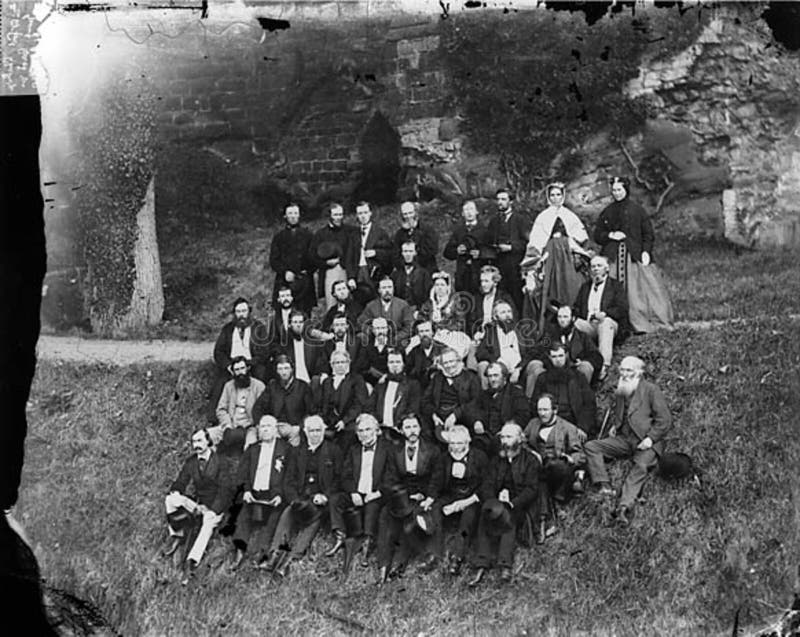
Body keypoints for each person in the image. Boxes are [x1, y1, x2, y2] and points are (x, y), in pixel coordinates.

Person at [584, 356, 672, 526]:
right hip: (624, 439)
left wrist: (650, 439)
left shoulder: (651, 390)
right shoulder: (622, 388)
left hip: (645, 441)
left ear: (639, 373)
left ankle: (624, 507)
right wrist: (615, 426)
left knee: (640, 467)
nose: (624, 374)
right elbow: (620, 412)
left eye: (629, 371)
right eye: (622, 370)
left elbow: (665, 420)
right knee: (591, 446)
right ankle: (604, 485)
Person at [259, 416, 343, 577]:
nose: (315, 434)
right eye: (311, 430)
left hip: (321, 500)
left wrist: (326, 496)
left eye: (319, 430)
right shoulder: (298, 452)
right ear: (305, 432)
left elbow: (339, 480)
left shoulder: (333, 451)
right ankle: (274, 555)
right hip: (301, 496)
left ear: (324, 431)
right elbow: (288, 480)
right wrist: (294, 500)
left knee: (314, 518)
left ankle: (291, 559)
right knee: (288, 513)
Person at [594, 176, 674, 333]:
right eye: (614, 190)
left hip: (634, 256)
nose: (617, 193)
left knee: (644, 290)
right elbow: (597, 235)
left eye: (620, 190)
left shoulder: (637, 210)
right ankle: (614, 323)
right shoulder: (607, 211)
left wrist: (646, 251)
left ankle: (641, 322)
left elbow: (648, 234)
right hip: (612, 258)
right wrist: (610, 235)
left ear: (626, 190)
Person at [468, 422, 540, 586]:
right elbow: (487, 484)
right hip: (497, 502)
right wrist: (494, 500)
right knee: (485, 513)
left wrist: (512, 503)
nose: (505, 441)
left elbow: (532, 489)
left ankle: (505, 565)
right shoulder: (496, 460)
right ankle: (481, 564)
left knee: (508, 517)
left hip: (520, 506)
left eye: (509, 437)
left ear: (520, 439)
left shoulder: (530, 460)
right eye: (503, 437)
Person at [377, 414, 443, 581]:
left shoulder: (432, 450)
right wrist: (404, 495)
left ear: (420, 428)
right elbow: (390, 478)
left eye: (415, 426)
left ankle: (407, 561)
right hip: (403, 495)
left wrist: (429, 497)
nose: (412, 431)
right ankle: (384, 565)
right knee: (386, 516)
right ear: (401, 430)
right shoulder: (395, 451)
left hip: (425, 495)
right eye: (407, 427)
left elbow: (437, 478)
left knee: (412, 519)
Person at [164, 429, 230, 582]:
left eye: (200, 441)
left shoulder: (220, 461)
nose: (196, 445)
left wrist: (213, 509)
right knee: (170, 499)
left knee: (208, 522)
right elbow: (181, 481)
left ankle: (192, 560)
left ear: (208, 441)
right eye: (194, 442)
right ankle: (177, 534)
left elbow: (226, 489)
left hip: (214, 506)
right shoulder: (191, 462)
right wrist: (176, 492)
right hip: (197, 504)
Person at [327, 414, 394, 565]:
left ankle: (367, 545)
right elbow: (345, 475)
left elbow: (392, 476)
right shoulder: (354, 450)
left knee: (372, 506)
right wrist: (353, 492)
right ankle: (340, 535)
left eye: (368, 429)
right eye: (360, 431)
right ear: (356, 433)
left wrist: (377, 493)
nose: (364, 434)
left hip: (376, 492)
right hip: (357, 491)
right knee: (335, 500)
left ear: (376, 430)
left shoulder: (387, 449)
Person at [526, 182, 592, 331]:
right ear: (548, 197)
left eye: (558, 195)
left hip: (567, 256)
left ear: (563, 196)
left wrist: (577, 250)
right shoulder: (543, 217)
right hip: (550, 257)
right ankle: (551, 329)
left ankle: (575, 326)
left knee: (571, 287)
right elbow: (536, 241)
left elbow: (581, 238)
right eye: (552, 195)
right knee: (550, 290)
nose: (555, 198)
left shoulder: (570, 216)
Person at [231, 416, 290, 569]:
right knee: (243, 515)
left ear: (275, 429)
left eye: (268, 426)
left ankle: (260, 552)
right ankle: (239, 551)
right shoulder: (253, 449)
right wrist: (247, 491)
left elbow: (289, 476)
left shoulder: (286, 449)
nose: (265, 430)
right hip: (254, 494)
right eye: (262, 427)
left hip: (274, 495)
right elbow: (242, 474)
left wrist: (279, 494)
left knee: (272, 520)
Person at [431, 425, 488, 576]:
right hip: (451, 494)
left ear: (467, 442)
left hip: (471, 497)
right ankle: (435, 552)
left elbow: (486, 485)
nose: (455, 447)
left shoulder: (479, 457)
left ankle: (457, 556)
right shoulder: (444, 458)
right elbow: (436, 481)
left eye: (459, 443)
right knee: (435, 509)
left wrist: (464, 502)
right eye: (452, 443)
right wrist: (430, 498)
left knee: (468, 516)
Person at [524, 394, 587, 525]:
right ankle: (545, 516)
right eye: (539, 410)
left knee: (558, 467)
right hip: (536, 465)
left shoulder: (567, 427)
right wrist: (532, 453)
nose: (542, 414)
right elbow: (522, 442)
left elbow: (579, 454)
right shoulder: (532, 424)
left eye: (546, 410)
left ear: (555, 410)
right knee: (538, 478)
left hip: (557, 468)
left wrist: (570, 458)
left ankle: (558, 502)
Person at [209, 297, 270, 417]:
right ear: (234, 313)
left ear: (249, 312)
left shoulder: (259, 328)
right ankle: (214, 417)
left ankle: (261, 414)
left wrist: (249, 364)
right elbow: (218, 352)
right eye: (238, 312)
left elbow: (265, 351)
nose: (241, 315)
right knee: (220, 383)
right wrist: (228, 365)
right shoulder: (227, 329)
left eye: (244, 311)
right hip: (232, 365)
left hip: (252, 365)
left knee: (261, 376)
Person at [573, 255, 630, 381]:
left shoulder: (616, 286)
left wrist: (605, 313)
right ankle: (576, 360)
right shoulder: (585, 287)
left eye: (599, 266)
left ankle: (603, 365)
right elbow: (576, 307)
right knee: (575, 323)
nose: (596, 269)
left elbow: (622, 308)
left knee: (605, 323)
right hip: (589, 324)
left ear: (607, 269)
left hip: (608, 324)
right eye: (593, 266)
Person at [528, 305, 603, 389]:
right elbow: (538, 350)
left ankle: (579, 399)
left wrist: (582, 361)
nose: (562, 320)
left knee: (586, 366)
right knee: (534, 364)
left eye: (565, 317)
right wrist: (549, 361)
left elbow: (597, 356)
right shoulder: (549, 336)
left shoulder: (583, 337)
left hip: (574, 374)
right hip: (552, 372)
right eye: (559, 317)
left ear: (573, 318)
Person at [531, 342, 596, 435]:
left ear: (566, 355)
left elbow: (589, 404)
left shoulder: (578, 377)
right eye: (554, 357)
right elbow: (534, 404)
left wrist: (583, 427)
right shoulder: (543, 378)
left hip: (573, 423)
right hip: (549, 422)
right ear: (549, 357)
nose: (558, 360)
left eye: (561, 356)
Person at [465, 361, 530, 455]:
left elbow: (523, 416)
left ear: (504, 377)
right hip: (486, 436)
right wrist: (477, 421)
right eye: (490, 376)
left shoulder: (516, 393)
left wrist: (506, 429)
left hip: (506, 435)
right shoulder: (484, 394)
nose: (492, 379)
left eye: (496, 375)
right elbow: (471, 409)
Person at [474, 300, 538, 391]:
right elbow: (480, 353)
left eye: (509, 311)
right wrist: (496, 362)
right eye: (503, 312)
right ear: (496, 317)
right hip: (499, 370)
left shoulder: (522, 329)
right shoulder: (491, 332)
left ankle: (528, 400)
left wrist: (519, 368)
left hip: (520, 369)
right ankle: (488, 400)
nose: (507, 315)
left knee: (536, 364)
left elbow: (533, 351)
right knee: (482, 365)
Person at [421, 347, 481, 442]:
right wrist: (434, 415)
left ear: (458, 360)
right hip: (438, 419)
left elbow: (475, 402)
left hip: (462, 419)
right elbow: (425, 401)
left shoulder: (470, 377)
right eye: (445, 363)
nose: (449, 365)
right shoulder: (437, 378)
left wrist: (455, 415)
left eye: (451, 361)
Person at [252, 355, 314, 447]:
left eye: (286, 368)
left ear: (292, 369)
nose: (284, 372)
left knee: (295, 449)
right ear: (276, 371)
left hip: (294, 429)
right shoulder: (272, 386)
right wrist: (266, 425)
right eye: (280, 369)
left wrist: (298, 427)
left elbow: (311, 412)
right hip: (275, 428)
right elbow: (257, 408)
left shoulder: (303, 387)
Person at [485, 188, 530, 313]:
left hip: (516, 268)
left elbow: (528, 244)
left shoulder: (520, 220)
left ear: (511, 202)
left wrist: (511, 247)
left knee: (517, 300)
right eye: (498, 199)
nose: (500, 202)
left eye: (503, 199)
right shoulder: (494, 221)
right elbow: (487, 242)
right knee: (500, 299)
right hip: (498, 267)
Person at [210, 356, 266, 451]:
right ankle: (213, 463)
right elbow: (221, 409)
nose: (240, 372)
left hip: (250, 427)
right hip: (231, 424)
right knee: (205, 437)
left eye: (242, 368)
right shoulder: (229, 386)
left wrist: (253, 425)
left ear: (248, 368)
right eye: (237, 370)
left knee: (250, 448)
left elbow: (263, 410)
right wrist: (228, 425)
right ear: (233, 372)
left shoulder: (259, 386)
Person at [269, 203, 316, 315]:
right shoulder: (279, 237)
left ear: (299, 215)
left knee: (305, 313)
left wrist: (307, 271)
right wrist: (285, 272)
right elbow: (274, 260)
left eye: (295, 213)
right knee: (284, 314)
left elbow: (314, 258)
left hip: (305, 281)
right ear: (285, 216)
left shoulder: (308, 235)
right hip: (285, 282)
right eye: (290, 213)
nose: (293, 216)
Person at [318, 350, 369, 451]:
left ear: (348, 363)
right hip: (329, 423)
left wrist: (344, 421)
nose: (340, 365)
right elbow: (322, 404)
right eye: (337, 363)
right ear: (332, 365)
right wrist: (322, 421)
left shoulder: (356, 380)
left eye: (343, 362)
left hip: (348, 422)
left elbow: (359, 404)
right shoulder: (327, 382)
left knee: (347, 436)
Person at [416, 271, 473, 361]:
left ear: (447, 287)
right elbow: (422, 319)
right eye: (437, 285)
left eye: (442, 285)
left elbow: (460, 322)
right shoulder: (429, 303)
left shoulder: (455, 301)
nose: (439, 288)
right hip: (431, 333)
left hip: (449, 333)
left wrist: (445, 328)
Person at [345, 201, 393, 305]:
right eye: (360, 213)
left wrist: (375, 253)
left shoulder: (380, 232)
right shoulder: (353, 234)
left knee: (375, 300)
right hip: (358, 272)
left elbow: (389, 253)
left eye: (365, 212)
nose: (363, 216)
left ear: (370, 213)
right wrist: (351, 277)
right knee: (358, 300)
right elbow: (349, 257)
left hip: (373, 271)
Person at [370, 348, 421, 441]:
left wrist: (399, 425)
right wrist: (376, 423)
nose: (394, 365)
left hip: (400, 433)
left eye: (398, 362)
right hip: (380, 432)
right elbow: (370, 406)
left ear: (403, 364)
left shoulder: (413, 385)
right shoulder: (381, 384)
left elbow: (413, 409)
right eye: (391, 362)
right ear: (387, 364)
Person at [311, 203, 354, 309]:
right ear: (329, 216)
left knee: (348, 302)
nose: (338, 218)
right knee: (331, 304)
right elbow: (312, 256)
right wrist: (325, 263)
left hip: (347, 270)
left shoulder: (350, 231)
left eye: (340, 214)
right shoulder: (321, 234)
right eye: (336, 215)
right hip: (329, 271)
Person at [444, 200, 489, 294]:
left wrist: (480, 254)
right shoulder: (458, 231)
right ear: (462, 214)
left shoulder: (485, 230)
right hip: (462, 277)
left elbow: (493, 251)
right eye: (466, 210)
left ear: (477, 212)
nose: (469, 212)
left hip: (479, 275)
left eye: (471, 209)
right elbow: (447, 252)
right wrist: (457, 250)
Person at [357, 277, 415, 349]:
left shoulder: (403, 305)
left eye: (390, 287)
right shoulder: (371, 306)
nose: (387, 290)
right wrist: (374, 332)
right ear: (379, 290)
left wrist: (395, 338)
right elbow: (361, 322)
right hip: (376, 342)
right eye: (384, 288)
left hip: (397, 342)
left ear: (393, 289)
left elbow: (410, 326)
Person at [272, 310, 325, 387]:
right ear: (290, 325)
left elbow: (320, 363)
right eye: (295, 322)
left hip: (309, 381)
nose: (298, 325)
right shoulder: (284, 345)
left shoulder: (314, 343)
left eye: (300, 322)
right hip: (292, 384)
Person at [467, 265, 516, 337]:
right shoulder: (477, 298)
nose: (483, 284)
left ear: (495, 283)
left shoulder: (504, 297)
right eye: (482, 281)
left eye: (486, 281)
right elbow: (471, 321)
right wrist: (476, 333)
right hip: (480, 337)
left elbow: (512, 321)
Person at [392, 201, 439, 272]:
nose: (408, 216)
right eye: (405, 214)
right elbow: (396, 254)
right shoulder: (399, 234)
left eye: (410, 213)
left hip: (426, 269)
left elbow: (432, 250)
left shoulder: (427, 230)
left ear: (415, 213)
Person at [390, 241, 433, 313]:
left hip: (418, 310)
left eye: (410, 251)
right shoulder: (395, 274)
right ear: (402, 253)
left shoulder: (424, 274)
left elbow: (427, 295)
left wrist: (420, 310)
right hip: (399, 310)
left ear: (415, 253)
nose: (408, 254)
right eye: (405, 251)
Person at [405, 320, 444, 391]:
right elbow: (408, 373)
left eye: (427, 330)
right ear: (418, 334)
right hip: (419, 390)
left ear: (433, 332)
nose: (424, 334)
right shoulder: (413, 352)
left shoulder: (443, 350)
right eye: (421, 331)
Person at [357, 316, 393, 389]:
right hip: (371, 383)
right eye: (377, 328)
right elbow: (361, 367)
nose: (380, 331)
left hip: (390, 382)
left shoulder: (395, 345)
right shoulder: (366, 347)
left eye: (383, 328)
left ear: (387, 329)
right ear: (373, 330)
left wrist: (387, 377)